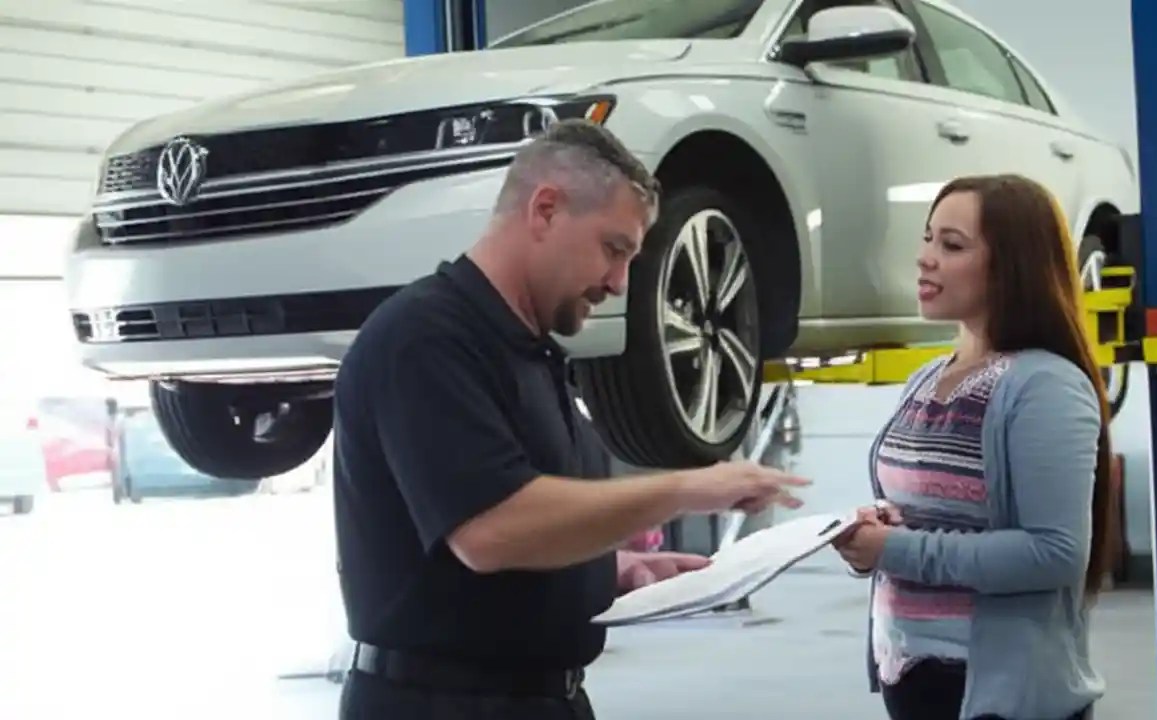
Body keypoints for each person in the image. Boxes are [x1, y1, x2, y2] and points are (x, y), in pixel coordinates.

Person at [331, 118, 809, 720]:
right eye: (614, 250)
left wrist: (609, 571)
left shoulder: (533, 352)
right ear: (546, 209)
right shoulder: (427, 341)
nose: (619, 282)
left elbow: (507, 539)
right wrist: (687, 488)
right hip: (442, 703)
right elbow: (491, 530)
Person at [832, 174, 1115, 720]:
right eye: (927, 238)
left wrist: (893, 549)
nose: (925, 259)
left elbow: (1054, 553)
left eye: (952, 245)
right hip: (914, 680)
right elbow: (935, 516)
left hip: (999, 696)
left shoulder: (1044, 385)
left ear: (1011, 265)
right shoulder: (927, 377)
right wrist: (877, 528)